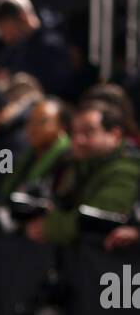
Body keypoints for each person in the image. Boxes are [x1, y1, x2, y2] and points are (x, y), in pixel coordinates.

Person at [26, 101, 140, 246]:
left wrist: (49, 228)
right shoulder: (79, 164)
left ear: (115, 134)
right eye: (75, 132)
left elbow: (97, 219)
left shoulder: (127, 169)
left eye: (89, 131)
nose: (79, 140)